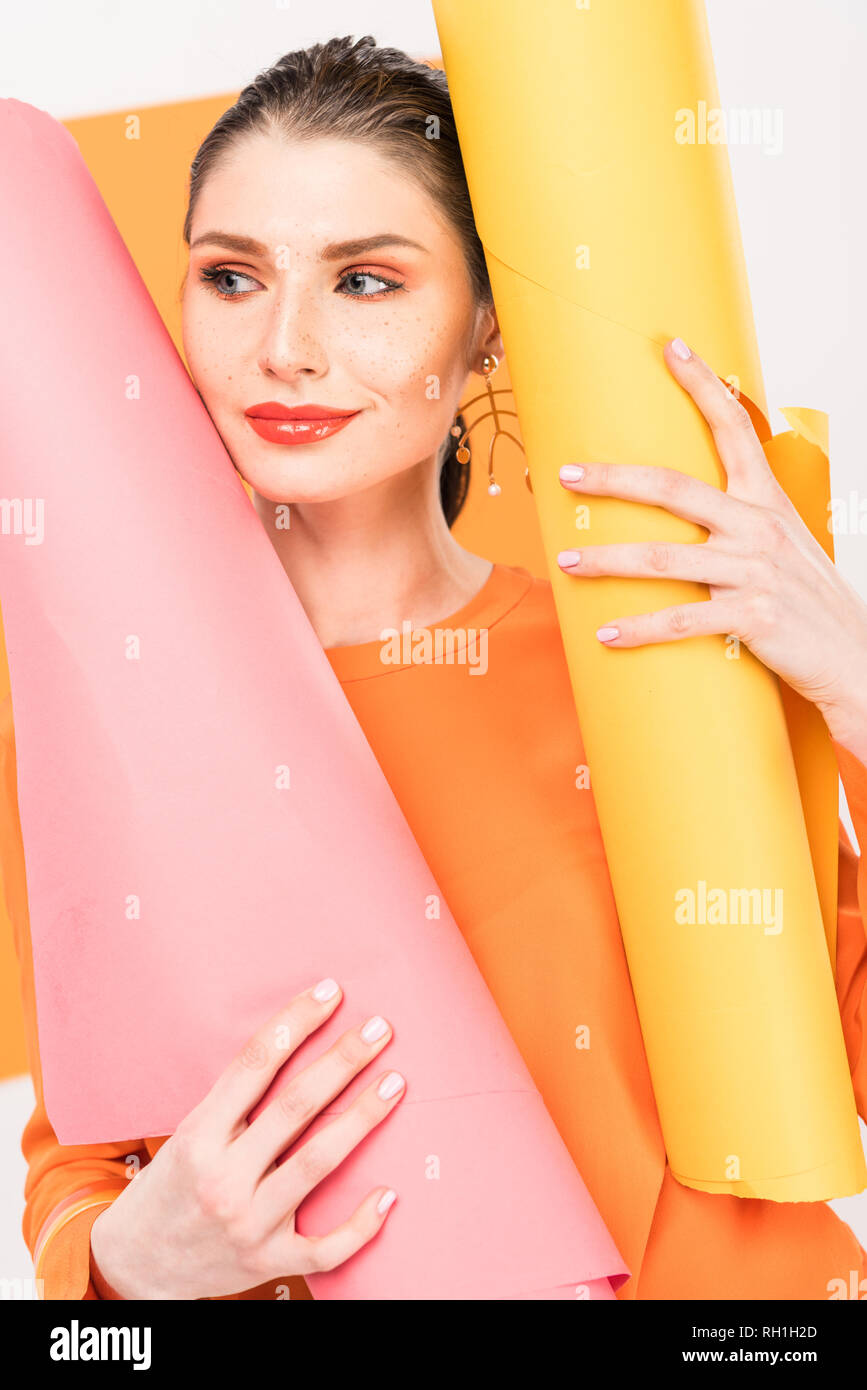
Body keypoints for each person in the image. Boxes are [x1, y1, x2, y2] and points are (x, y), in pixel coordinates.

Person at [9, 34, 867, 1301]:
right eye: (233, 276)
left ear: (485, 333)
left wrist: (855, 684)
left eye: (365, 281)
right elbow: (84, 1159)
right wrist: (120, 1269)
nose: (284, 347)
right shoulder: (112, 717)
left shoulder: (646, 663)